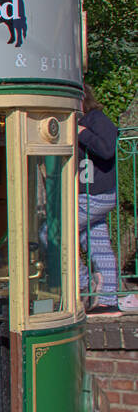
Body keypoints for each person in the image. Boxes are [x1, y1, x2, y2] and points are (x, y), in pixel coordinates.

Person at [78, 85, 125, 313]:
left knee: (52, 233)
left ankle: (84, 283)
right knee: (97, 243)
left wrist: (82, 134)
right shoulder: (82, 121)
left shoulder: (96, 119)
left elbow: (107, 149)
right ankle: (107, 300)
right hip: (90, 196)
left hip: (94, 196)